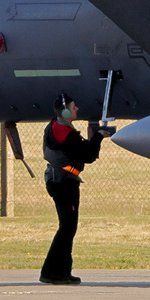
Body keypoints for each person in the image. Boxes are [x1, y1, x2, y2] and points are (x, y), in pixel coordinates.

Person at [40, 93, 112, 285]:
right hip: (63, 182)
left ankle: (62, 271)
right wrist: (98, 137)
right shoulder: (65, 133)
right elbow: (87, 155)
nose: (76, 109)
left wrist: (94, 139)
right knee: (67, 227)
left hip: (61, 180)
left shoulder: (57, 126)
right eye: (73, 107)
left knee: (68, 227)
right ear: (64, 111)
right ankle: (51, 272)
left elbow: (79, 150)